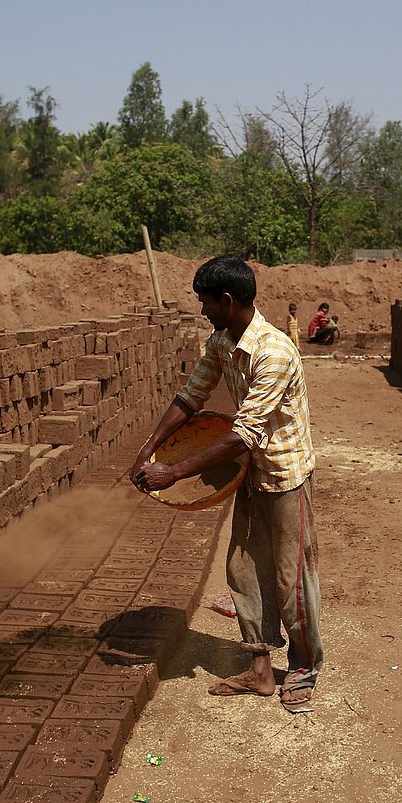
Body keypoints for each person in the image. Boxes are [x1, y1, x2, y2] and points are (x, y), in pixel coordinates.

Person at [130, 255, 323, 714]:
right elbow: (191, 396)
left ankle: (303, 664)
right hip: (249, 472)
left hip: (283, 473)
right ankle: (259, 669)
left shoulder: (273, 352)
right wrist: (148, 449)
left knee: (289, 574)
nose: (201, 310)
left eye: (205, 301)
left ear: (228, 300)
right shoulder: (221, 341)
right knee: (242, 567)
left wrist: (173, 472)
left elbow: (245, 432)